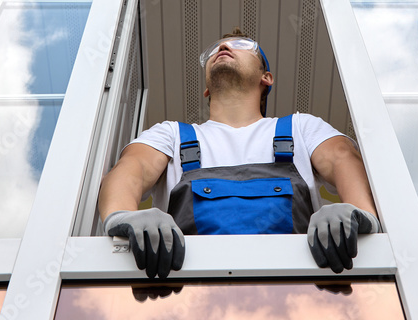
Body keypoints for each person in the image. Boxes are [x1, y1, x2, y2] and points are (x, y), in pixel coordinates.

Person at [98, 27, 380, 279]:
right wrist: (123, 216)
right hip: (189, 296)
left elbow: (342, 158)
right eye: (214, 49)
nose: (223, 48)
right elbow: (130, 169)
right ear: (207, 89)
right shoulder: (171, 135)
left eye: (242, 45)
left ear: (266, 77)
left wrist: (359, 213)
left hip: (297, 291)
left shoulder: (300, 127)